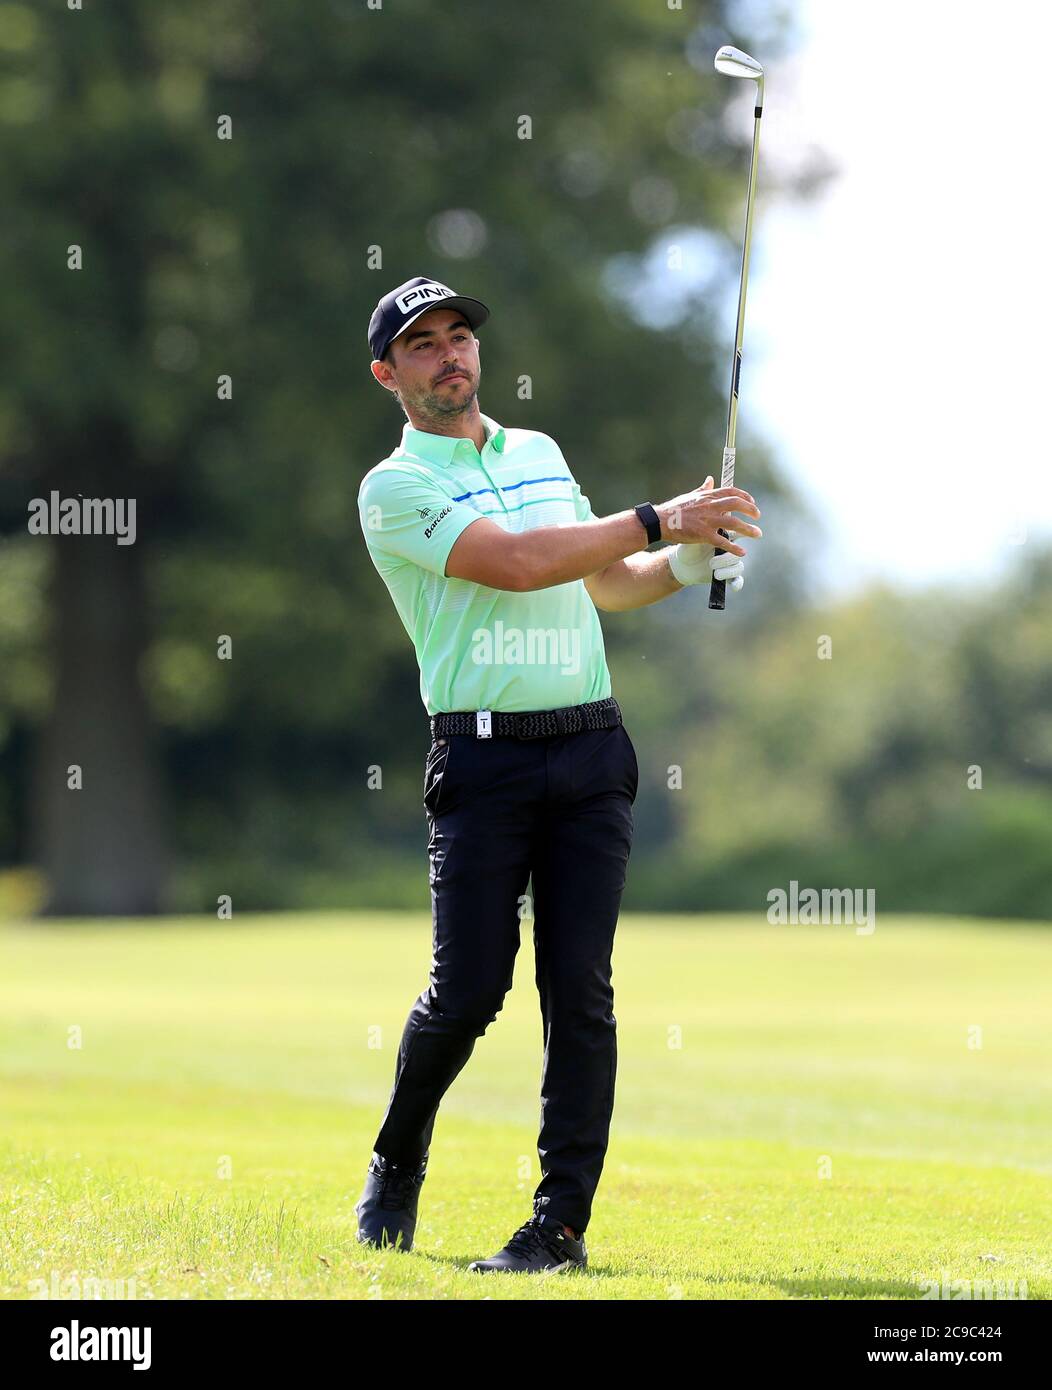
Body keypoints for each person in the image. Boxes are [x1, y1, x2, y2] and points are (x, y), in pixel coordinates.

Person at [355, 275, 762, 1273]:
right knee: (467, 991)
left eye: (459, 336)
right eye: (423, 344)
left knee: (577, 989)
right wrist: (663, 518)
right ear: (387, 374)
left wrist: (684, 564)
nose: (450, 353)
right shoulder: (393, 488)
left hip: (588, 749)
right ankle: (396, 1158)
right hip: (482, 760)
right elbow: (521, 563)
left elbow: (602, 581)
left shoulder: (536, 452)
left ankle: (556, 1228)